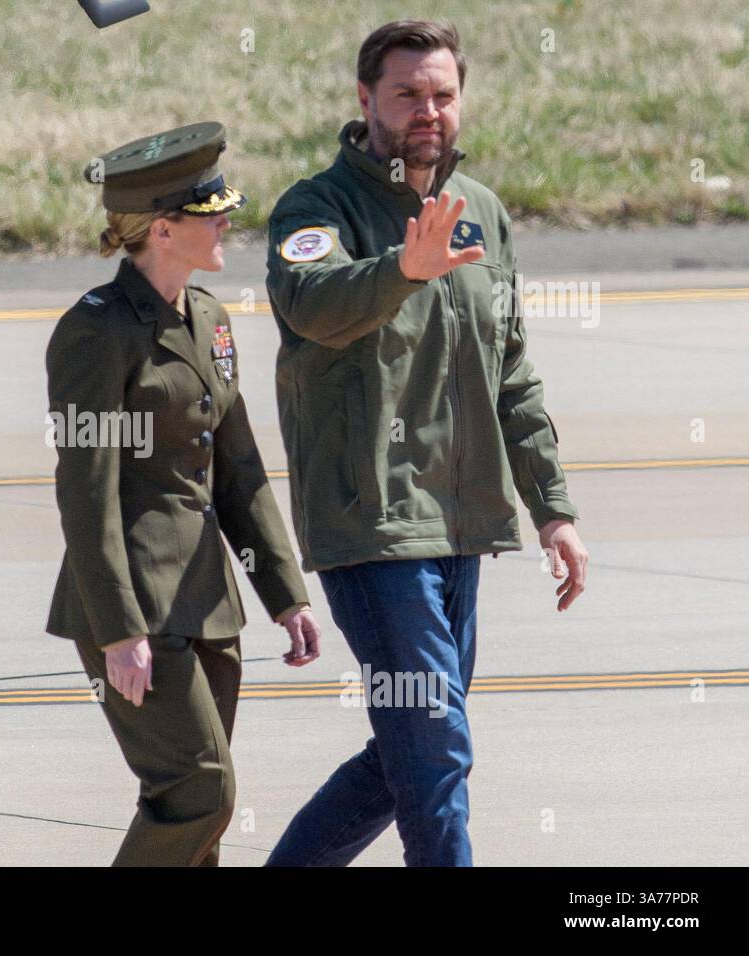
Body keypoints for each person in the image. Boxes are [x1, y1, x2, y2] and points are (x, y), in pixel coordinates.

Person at [263, 21, 590, 867]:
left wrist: (553, 508)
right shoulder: (316, 208)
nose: (428, 112)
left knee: (406, 752)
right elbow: (314, 306)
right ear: (365, 98)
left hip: (463, 525)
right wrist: (401, 270)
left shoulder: (481, 212)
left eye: (442, 94)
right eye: (407, 93)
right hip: (372, 528)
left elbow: (511, 368)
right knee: (436, 744)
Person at [45, 122, 322, 867]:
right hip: (136, 607)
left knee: (193, 817)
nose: (228, 219)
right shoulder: (94, 334)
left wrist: (284, 595)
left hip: (208, 605)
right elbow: (86, 491)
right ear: (163, 229)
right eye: (211, 211)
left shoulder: (210, 321)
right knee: (201, 790)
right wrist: (116, 629)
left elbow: (238, 469)